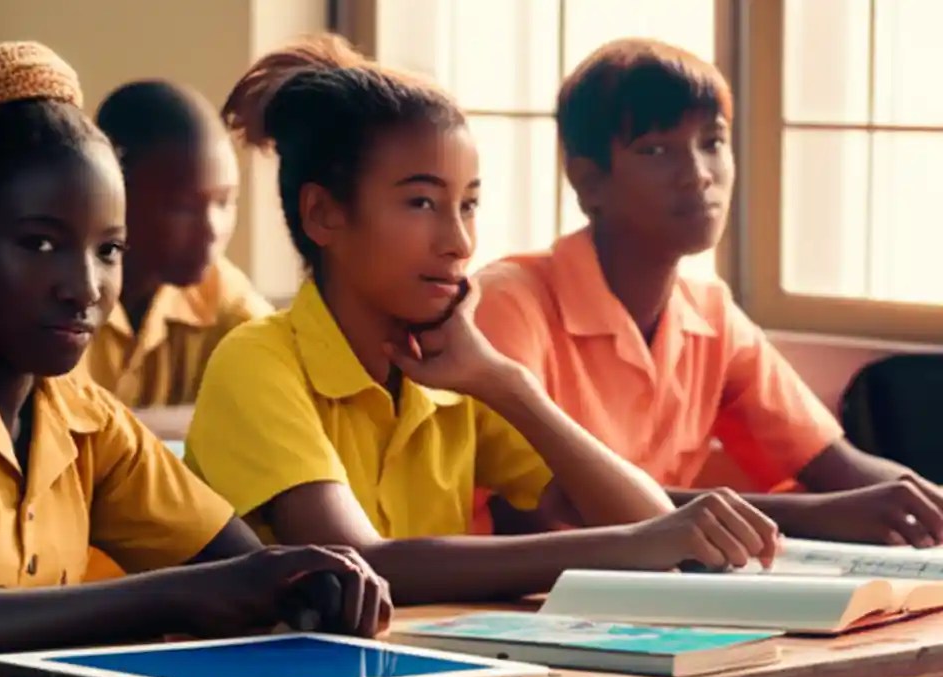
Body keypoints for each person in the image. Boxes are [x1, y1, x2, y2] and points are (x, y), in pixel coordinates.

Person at [0, 42, 389, 677]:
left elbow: (232, 572)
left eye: (108, 250)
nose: (83, 286)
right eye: (41, 243)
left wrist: (309, 588)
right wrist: (166, 598)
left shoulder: (84, 420)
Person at [185, 34, 778, 606]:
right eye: (421, 203)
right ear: (323, 214)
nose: (459, 241)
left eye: (468, 204)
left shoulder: (455, 379)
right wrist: (626, 547)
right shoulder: (258, 362)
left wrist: (505, 383)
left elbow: (654, 525)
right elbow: (356, 562)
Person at [474, 38, 943, 548]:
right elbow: (535, 509)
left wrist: (916, 504)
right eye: (655, 150)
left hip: (653, 592)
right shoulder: (509, 303)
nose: (698, 175)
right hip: (522, 597)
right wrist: (817, 515)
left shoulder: (709, 313)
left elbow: (836, 467)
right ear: (588, 182)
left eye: (713, 143)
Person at [88, 80, 273, 439]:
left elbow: (290, 402)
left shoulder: (216, 289)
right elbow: (57, 430)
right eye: (183, 208)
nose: (211, 229)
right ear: (115, 196)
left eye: (225, 201)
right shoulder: (64, 293)